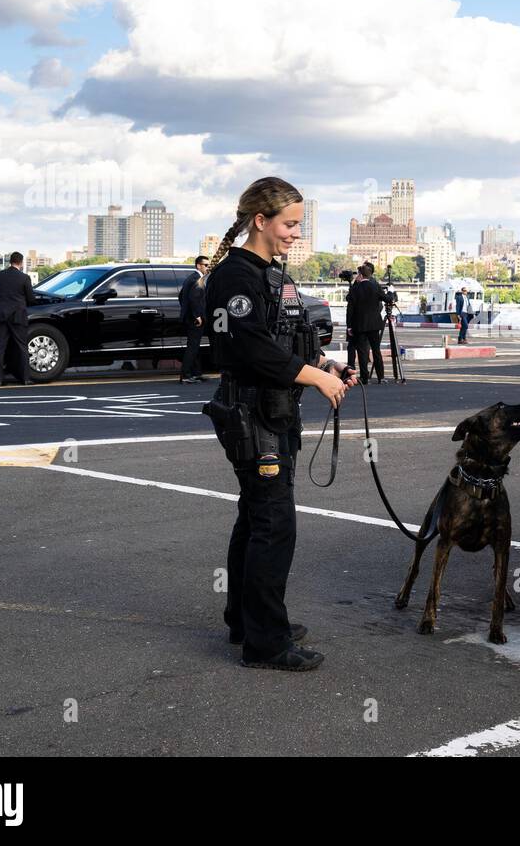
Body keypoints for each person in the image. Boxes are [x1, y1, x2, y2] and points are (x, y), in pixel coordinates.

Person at [202, 177, 356, 672]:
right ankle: (265, 643)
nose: (296, 233)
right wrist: (314, 377)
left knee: (256, 517)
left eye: (299, 224)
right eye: (290, 224)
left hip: (275, 409)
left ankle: (246, 621)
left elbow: (285, 337)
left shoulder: (272, 273)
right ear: (260, 221)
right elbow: (246, 346)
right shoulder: (235, 276)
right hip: (253, 412)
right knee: (273, 524)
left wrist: (325, 366)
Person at [0, 252, 38, 386]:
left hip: (0, 314)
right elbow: (30, 298)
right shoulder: (24, 278)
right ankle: (25, 378)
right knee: (22, 346)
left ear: (10, 261)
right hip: (17, 315)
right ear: (21, 263)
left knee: (0, 347)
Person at [346, 261, 386, 384]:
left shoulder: (355, 288)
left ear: (361, 275)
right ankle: (381, 377)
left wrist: (349, 326)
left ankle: (365, 378)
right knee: (376, 351)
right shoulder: (375, 286)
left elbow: (350, 308)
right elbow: (386, 299)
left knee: (362, 352)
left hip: (360, 325)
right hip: (374, 324)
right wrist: (390, 295)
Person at [178, 256, 209, 383]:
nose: (208, 267)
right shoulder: (197, 279)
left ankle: (196, 373)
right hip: (195, 319)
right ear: (198, 266)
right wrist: (197, 315)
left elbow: (181, 296)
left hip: (189, 317)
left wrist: (185, 310)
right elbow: (194, 298)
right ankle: (185, 375)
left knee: (194, 346)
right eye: (205, 265)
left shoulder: (191, 278)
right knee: (192, 347)